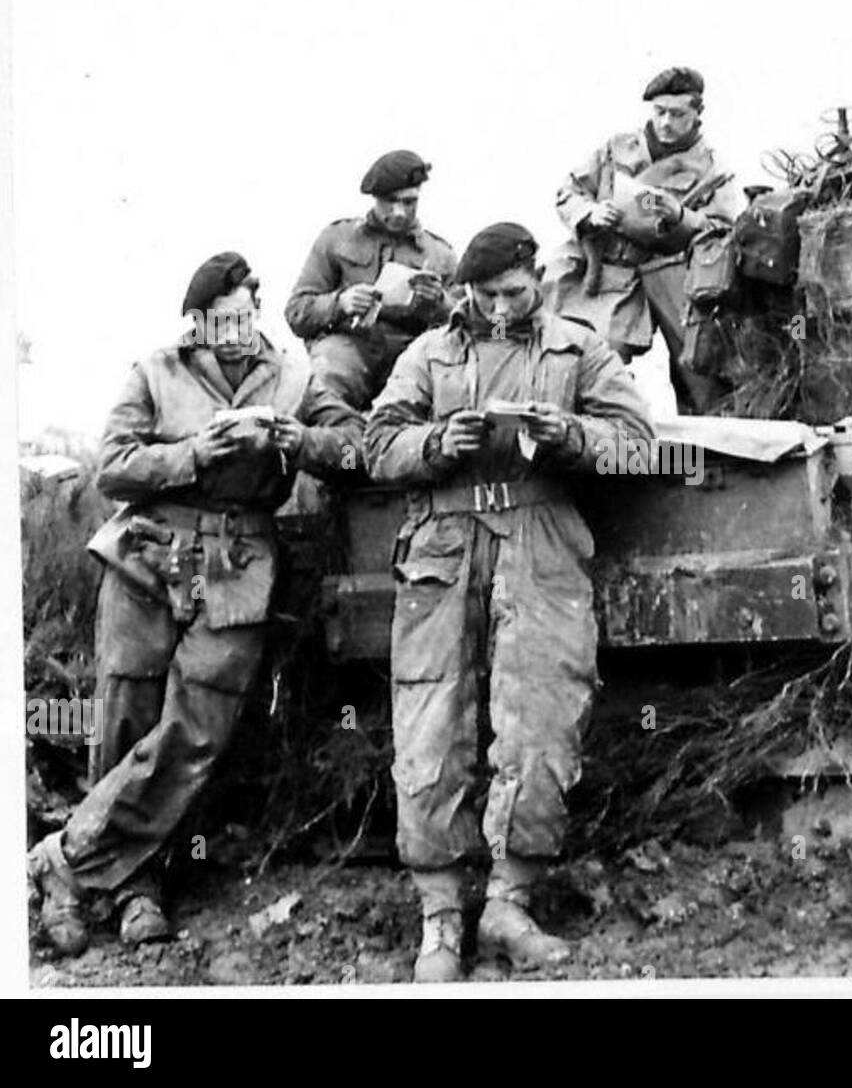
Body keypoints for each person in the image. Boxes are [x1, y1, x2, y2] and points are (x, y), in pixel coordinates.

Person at [28, 253, 363, 956]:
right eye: (223, 320)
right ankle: (135, 889)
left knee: (194, 735)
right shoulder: (155, 370)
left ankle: (63, 864)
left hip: (239, 563)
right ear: (199, 321)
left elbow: (352, 443)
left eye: (247, 315)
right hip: (148, 552)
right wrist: (191, 454)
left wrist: (297, 439)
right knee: (124, 717)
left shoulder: (296, 376)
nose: (238, 331)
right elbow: (114, 463)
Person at [364, 222, 654, 982]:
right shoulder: (428, 352)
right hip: (443, 540)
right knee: (430, 722)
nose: (499, 307)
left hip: (541, 532)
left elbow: (637, 440)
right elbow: (375, 443)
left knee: (542, 716)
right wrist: (433, 445)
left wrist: (570, 436)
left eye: (514, 292)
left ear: (537, 278)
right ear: (465, 291)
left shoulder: (579, 347)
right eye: (485, 295)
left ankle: (509, 902)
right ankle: (439, 919)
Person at [550, 67, 745, 413]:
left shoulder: (713, 170)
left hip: (671, 278)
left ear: (698, 114)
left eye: (678, 114)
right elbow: (569, 191)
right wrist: (590, 213)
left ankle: (701, 459)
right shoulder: (617, 148)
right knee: (588, 361)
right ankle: (593, 444)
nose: (666, 122)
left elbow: (722, 228)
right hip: (606, 272)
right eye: (659, 112)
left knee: (699, 370)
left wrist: (680, 216)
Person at [285, 150, 459, 409]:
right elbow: (296, 311)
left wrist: (440, 302)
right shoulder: (337, 238)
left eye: (409, 202)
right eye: (390, 201)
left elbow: (472, 324)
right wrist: (341, 303)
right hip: (349, 346)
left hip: (410, 353)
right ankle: (343, 449)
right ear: (375, 199)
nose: (399, 212)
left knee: (446, 389)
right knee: (323, 384)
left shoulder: (440, 255)